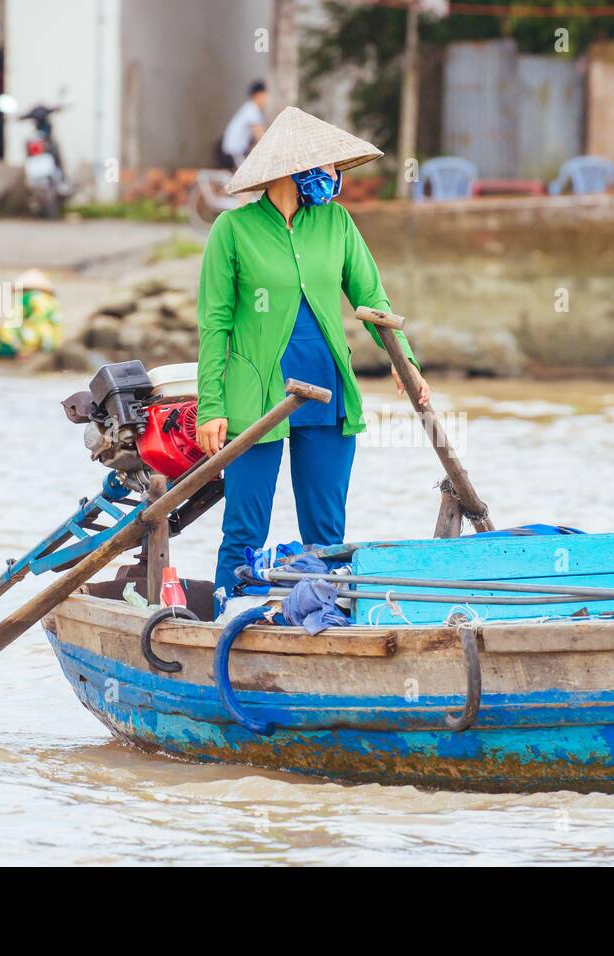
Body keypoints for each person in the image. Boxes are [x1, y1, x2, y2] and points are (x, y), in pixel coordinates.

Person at [196, 107, 430, 606]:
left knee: (326, 537)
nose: (333, 178)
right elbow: (214, 325)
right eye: (324, 169)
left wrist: (403, 359)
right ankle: (220, 623)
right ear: (291, 171)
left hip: (327, 390)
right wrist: (211, 406)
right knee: (243, 531)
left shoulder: (336, 223)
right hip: (256, 399)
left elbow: (373, 298)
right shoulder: (232, 231)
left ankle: (323, 625)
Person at [218, 80, 268, 169]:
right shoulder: (252, 109)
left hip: (234, 150)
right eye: (265, 95)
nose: (266, 99)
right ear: (258, 95)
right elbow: (260, 135)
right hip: (234, 151)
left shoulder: (249, 108)